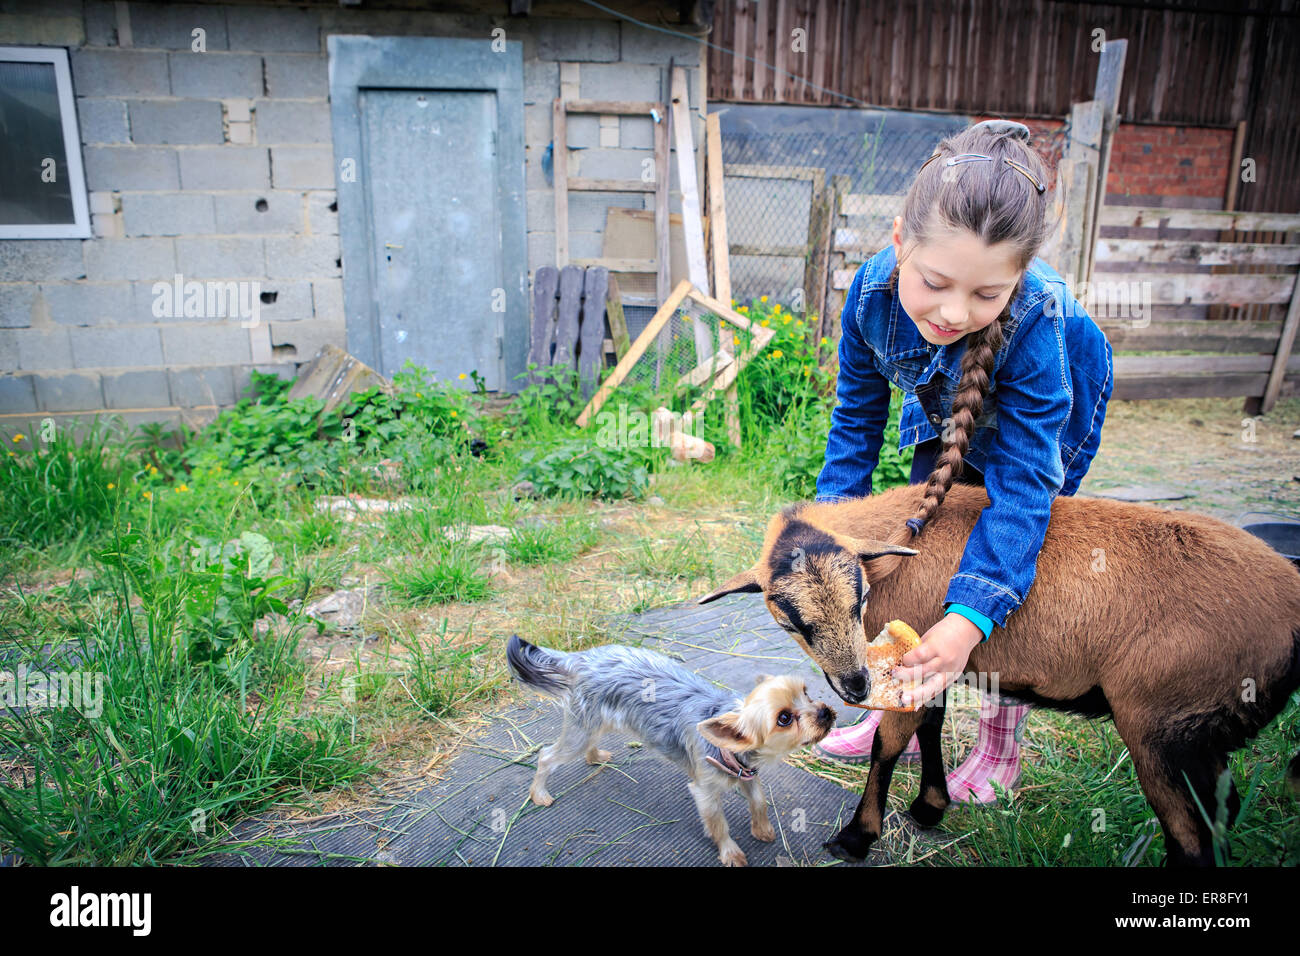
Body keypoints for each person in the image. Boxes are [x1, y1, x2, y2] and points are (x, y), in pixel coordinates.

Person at [811, 120, 1115, 804]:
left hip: (1043, 423)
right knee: (920, 558)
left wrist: (970, 619)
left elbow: (1022, 495)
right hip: (944, 402)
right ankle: (897, 706)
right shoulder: (871, 297)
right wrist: (837, 540)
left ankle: (999, 736)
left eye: (985, 295)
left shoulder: (1038, 322)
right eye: (935, 282)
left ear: (1018, 277)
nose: (952, 312)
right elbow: (855, 422)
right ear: (898, 242)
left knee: (1012, 560)